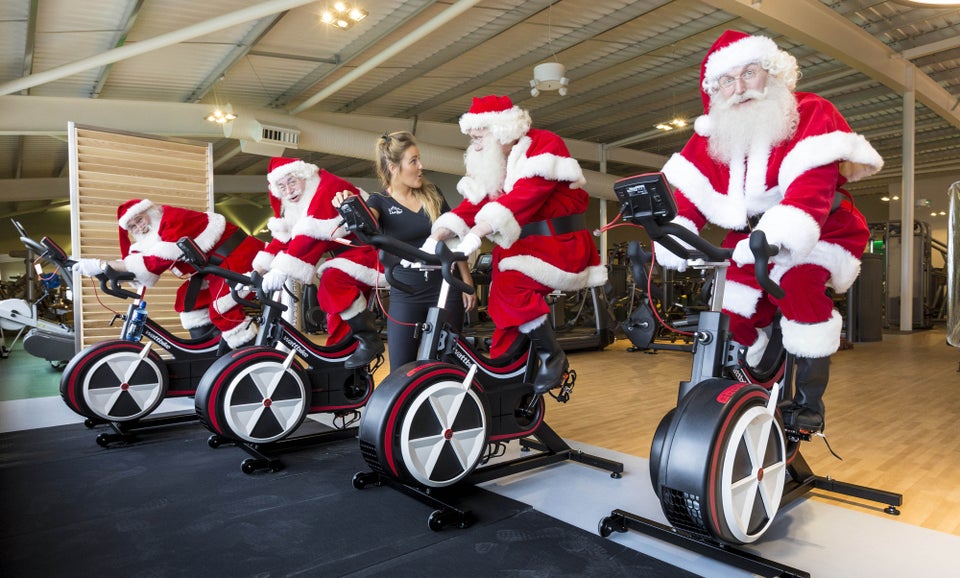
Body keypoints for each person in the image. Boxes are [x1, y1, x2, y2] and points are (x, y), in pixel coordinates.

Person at [654, 30, 882, 432]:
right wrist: (676, 234)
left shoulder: (809, 111)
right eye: (727, 80)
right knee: (728, 308)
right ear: (714, 89)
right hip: (750, 238)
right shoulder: (714, 136)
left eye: (749, 73)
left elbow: (810, 186)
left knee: (798, 287)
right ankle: (756, 368)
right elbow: (690, 194)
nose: (739, 87)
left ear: (771, 73)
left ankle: (808, 404)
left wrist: (783, 233)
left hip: (819, 227)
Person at [428, 95, 608, 396]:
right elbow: (474, 203)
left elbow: (526, 195)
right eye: (471, 138)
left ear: (500, 129)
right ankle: (504, 378)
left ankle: (553, 356)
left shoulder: (543, 144)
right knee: (503, 309)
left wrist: (479, 232)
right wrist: (435, 236)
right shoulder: (495, 162)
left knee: (512, 285)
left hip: (559, 244)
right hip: (523, 245)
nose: (475, 145)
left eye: (479, 137)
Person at [334, 132, 477, 371]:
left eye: (419, 159)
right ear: (393, 167)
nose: (421, 167)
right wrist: (349, 201)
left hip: (445, 287)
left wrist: (467, 282)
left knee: (449, 365)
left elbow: (456, 236)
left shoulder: (434, 195)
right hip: (406, 292)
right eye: (413, 161)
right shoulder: (379, 202)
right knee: (402, 368)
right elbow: (367, 221)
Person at [74, 199, 264, 349]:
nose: (139, 228)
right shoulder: (154, 234)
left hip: (239, 255)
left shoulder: (172, 220)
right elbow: (137, 261)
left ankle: (252, 358)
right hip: (212, 268)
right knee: (189, 302)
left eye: (139, 220)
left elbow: (154, 262)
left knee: (222, 308)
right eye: (132, 227)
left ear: (149, 212)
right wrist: (107, 270)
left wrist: (101, 264)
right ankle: (212, 359)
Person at [254, 157, 383, 369]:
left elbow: (308, 237)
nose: (288, 191)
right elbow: (284, 238)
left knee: (332, 281)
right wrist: (256, 271)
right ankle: (339, 367)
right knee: (335, 314)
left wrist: (280, 269)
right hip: (346, 256)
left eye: (292, 182)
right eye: (281, 186)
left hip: (370, 252)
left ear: (304, 176)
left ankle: (370, 340)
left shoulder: (327, 187)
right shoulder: (300, 203)